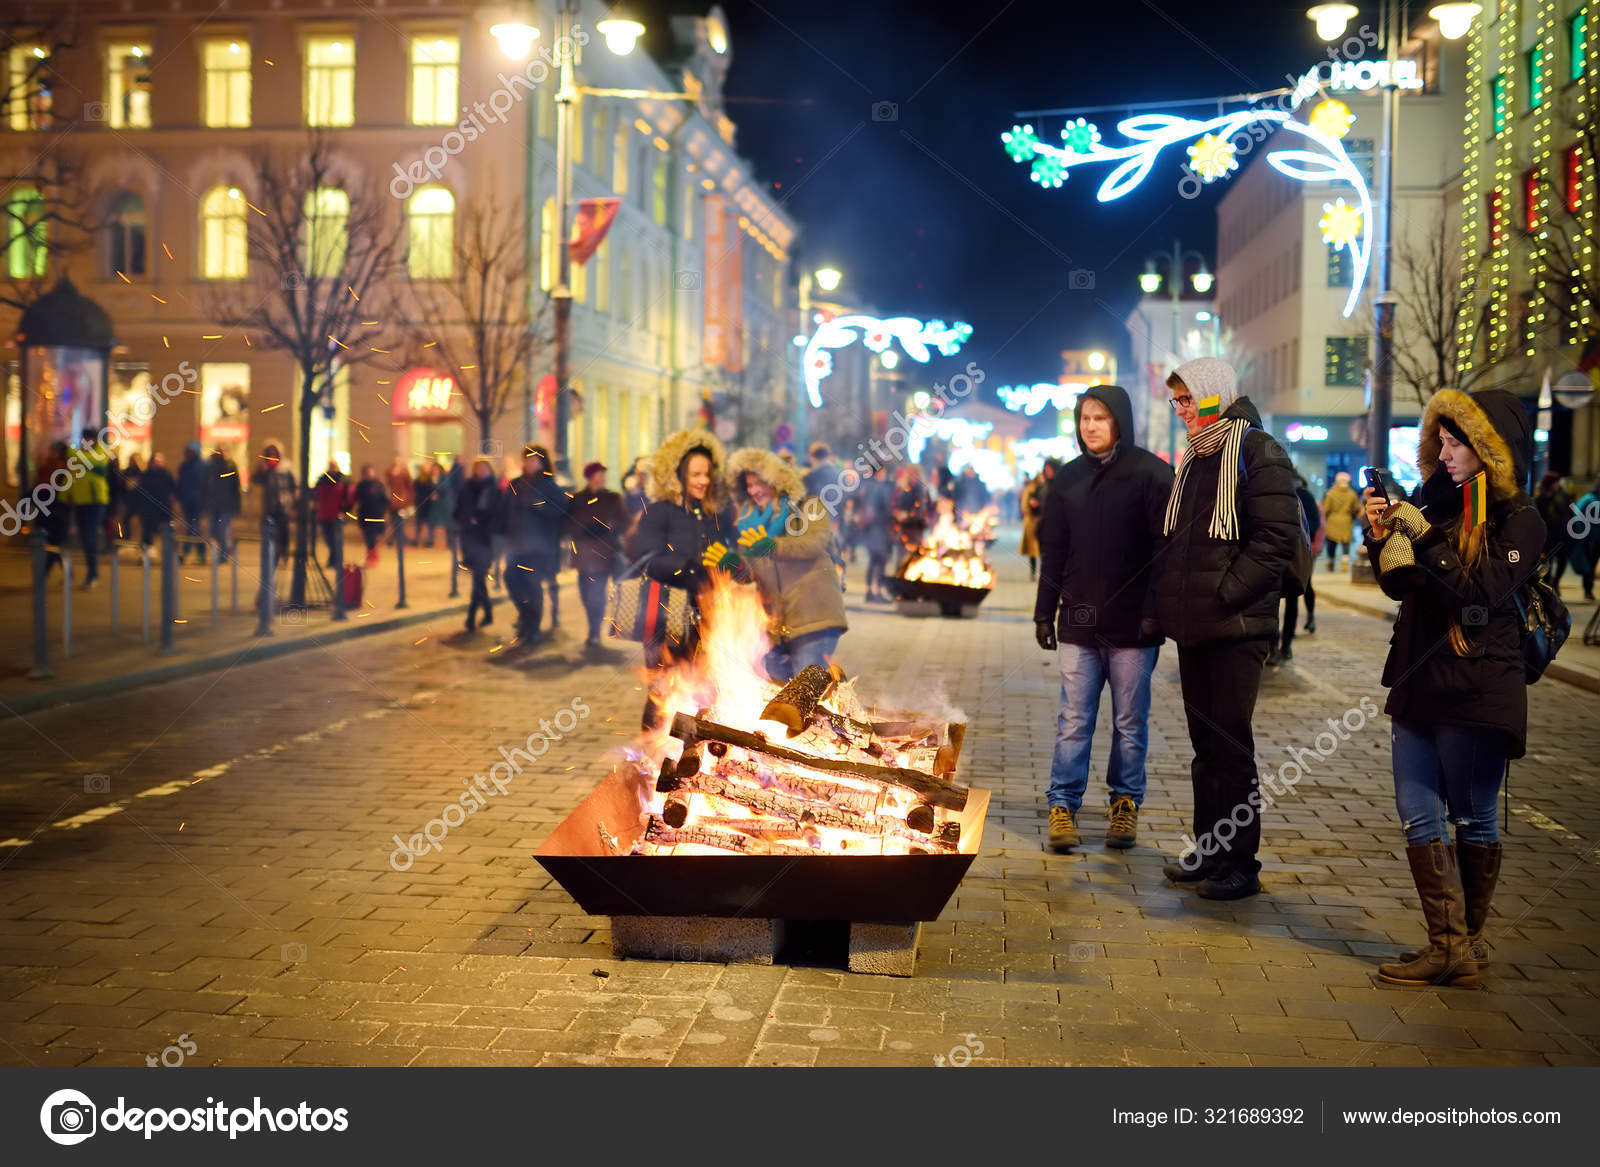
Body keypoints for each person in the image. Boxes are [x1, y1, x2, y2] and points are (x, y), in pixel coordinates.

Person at [1362, 388, 1542, 989]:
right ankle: (1451, 945)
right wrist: (1381, 536)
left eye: (1455, 439)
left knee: (1474, 816)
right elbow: (1401, 587)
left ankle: (1459, 946)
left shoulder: (1523, 520)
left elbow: (1480, 593)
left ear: (1490, 449)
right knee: (1418, 815)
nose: (1443, 451)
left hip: (1476, 686)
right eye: (1439, 439)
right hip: (1418, 678)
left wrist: (1428, 541)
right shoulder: (1433, 502)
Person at [1154, 357, 1300, 900]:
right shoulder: (1195, 458)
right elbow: (1179, 546)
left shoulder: (1258, 453)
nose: (1182, 411)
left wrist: (1225, 594)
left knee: (1231, 746)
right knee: (1205, 747)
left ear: (1215, 395)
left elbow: (1275, 539)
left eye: (1188, 400)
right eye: (1177, 402)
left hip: (1237, 628)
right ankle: (1209, 851)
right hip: (1197, 628)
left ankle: (1241, 864)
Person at [1034, 386, 1173, 854]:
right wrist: (1043, 612)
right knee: (1073, 719)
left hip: (1135, 626)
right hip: (1078, 621)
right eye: (1084, 417)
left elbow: (1164, 552)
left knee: (1130, 721)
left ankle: (1124, 805)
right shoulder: (1067, 479)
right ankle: (1062, 806)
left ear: (1120, 421)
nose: (1090, 426)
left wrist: (1156, 613)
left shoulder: (1153, 474)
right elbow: (1052, 550)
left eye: (1100, 417)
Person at [627, 429, 736, 730]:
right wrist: (690, 565)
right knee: (663, 687)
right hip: (665, 611)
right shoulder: (661, 512)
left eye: (707, 475)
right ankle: (651, 754)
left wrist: (730, 565)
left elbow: (720, 556)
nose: (703, 481)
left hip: (703, 614)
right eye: (696, 474)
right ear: (677, 474)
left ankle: (683, 754)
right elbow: (646, 559)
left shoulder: (711, 514)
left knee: (696, 687)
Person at [728, 447, 849, 682]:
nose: (754, 491)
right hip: (778, 626)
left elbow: (814, 542)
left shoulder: (807, 506)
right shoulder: (749, 522)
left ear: (776, 480)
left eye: (759, 483)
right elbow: (752, 572)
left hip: (814, 615)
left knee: (805, 690)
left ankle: (837, 714)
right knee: (779, 689)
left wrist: (775, 546)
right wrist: (736, 567)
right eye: (749, 485)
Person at [500, 444, 569, 643]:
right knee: (511, 580)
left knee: (532, 584)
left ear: (541, 462)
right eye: (526, 459)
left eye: (533, 460)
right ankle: (525, 616)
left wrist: (539, 508)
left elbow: (561, 512)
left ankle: (533, 627)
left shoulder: (549, 486)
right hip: (516, 545)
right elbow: (504, 510)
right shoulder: (516, 484)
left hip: (540, 547)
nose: (529, 463)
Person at [567, 461, 626, 646]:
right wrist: (581, 528)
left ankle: (594, 631)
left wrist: (610, 529)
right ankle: (593, 624)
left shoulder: (613, 498)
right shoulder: (577, 498)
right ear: (590, 477)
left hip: (603, 553)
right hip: (583, 553)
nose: (601, 478)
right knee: (585, 593)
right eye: (598, 475)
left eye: (603, 475)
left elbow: (625, 522)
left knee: (597, 594)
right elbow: (567, 522)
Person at [1270, 474, 1323, 665]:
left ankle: (1286, 645)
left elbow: (1314, 523)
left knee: (1292, 598)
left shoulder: (1302, 496)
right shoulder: (1271, 492)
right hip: (1275, 555)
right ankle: (1274, 647)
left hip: (1295, 555)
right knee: (1273, 603)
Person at [454, 457, 501, 633]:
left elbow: (497, 515)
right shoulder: (466, 488)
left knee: (478, 577)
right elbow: (457, 511)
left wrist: (481, 520)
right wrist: (465, 518)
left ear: (490, 470)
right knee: (478, 578)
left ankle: (471, 616)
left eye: (484, 468)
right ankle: (487, 611)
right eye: (478, 468)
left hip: (486, 540)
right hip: (469, 538)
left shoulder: (494, 490)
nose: (481, 471)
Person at [64, 428, 112, 587]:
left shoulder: (100, 453)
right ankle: (89, 573)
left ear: (95, 440)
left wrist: (70, 452)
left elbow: (90, 461)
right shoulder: (79, 456)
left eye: (88, 438)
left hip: (95, 502)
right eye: (84, 438)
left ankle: (93, 574)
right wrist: (62, 498)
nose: (86, 442)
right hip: (79, 502)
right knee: (85, 538)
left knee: (90, 537)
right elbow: (70, 477)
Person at [250, 444, 296, 566]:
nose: (272, 457)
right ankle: (274, 556)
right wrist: (261, 470)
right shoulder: (265, 469)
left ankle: (284, 554)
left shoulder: (285, 469)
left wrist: (292, 502)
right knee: (270, 533)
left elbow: (293, 486)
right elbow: (255, 480)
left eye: (274, 454)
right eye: (269, 455)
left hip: (283, 506)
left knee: (283, 532)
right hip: (269, 507)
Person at [856, 464, 896, 604]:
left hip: (869, 528)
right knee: (881, 559)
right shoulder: (880, 487)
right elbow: (886, 508)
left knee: (873, 560)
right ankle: (877, 591)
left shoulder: (866, 486)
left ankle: (869, 591)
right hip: (879, 527)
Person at [36, 441, 73, 578]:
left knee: (54, 544)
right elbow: (39, 487)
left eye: (55, 451)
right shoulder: (46, 467)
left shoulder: (66, 469)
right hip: (45, 511)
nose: (52, 454)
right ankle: (68, 572)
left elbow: (61, 491)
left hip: (58, 512)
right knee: (52, 544)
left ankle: (44, 573)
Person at [1534, 471, 1572, 593]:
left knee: (1563, 561)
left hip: (1561, 536)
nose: (1558, 485)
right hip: (1547, 538)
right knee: (1546, 563)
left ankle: (1555, 583)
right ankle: (1548, 585)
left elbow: (1569, 511)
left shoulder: (1562, 497)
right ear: (1550, 483)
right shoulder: (1540, 499)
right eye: (1555, 482)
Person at [1018, 462, 1054, 582]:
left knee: (1045, 550)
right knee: (1033, 550)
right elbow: (1025, 505)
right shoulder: (1032, 488)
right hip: (1032, 522)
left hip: (1045, 522)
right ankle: (1033, 572)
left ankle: (1045, 573)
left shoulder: (1050, 486)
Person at [890, 464, 931, 567]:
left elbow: (928, 508)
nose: (913, 476)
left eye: (916, 473)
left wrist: (920, 516)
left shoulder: (923, 490)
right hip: (903, 527)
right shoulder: (901, 488)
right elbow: (894, 505)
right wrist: (898, 514)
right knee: (901, 557)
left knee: (914, 557)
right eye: (911, 473)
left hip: (917, 528)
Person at [203, 450, 240, 564]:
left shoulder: (230, 466)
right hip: (214, 505)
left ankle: (224, 554)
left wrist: (237, 505)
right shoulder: (210, 467)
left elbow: (235, 488)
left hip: (226, 506)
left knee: (222, 530)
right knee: (213, 531)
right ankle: (226, 549)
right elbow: (205, 487)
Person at [1321, 471, 1362, 572]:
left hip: (1332, 521)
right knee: (1346, 544)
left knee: (1331, 544)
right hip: (1346, 521)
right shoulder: (1352, 494)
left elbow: (1325, 509)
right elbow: (1356, 508)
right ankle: (1345, 563)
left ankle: (1330, 563)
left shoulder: (1330, 493)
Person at [134, 451, 176, 548]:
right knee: (147, 531)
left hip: (163, 507)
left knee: (165, 531)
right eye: (156, 461)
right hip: (148, 508)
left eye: (160, 461)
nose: (158, 463)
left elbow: (172, 490)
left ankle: (166, 552)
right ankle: (146, 553)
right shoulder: (146, 475)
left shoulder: (166, 474)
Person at [313, 460, 351, 566]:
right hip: (324, 514)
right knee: (328, 538)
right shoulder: (322, 479)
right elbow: (316, 494)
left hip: (337, 515)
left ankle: (336, 560)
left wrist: (345, 510)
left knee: (337, 538)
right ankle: (335, 559)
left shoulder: (343, 480)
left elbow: (347, 497)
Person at [175, 443, 206, 563]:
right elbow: (180, 483)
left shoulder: (202, 466)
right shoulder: (184, 466)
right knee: (193, 527)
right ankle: (200, 553)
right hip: (187, 502)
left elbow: (205, 485)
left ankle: (186, 551)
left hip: (198, 502)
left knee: (194, 526)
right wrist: (178, 497)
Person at [1571, 474, 1600, 601]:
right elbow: (1579, 519)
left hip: (1594, 538)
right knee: (1589, 565)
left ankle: (1588, 589)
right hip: (1591, 539)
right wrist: (1583, 537)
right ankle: (1588, 590)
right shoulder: (1589, 500)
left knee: (1591, 564)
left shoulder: (1588, 499)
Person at [354, 464, 389, 567]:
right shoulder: (361, 486)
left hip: (377, 514)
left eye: (371, 472)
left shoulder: (378, 485)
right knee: (368, 537)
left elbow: (384, 499)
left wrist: (384, 512)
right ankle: (371, 557)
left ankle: (373, 557)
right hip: (365, 514)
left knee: (373, 537)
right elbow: (358, 499)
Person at [385, 455, 413, 546]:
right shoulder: (390, 471)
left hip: (402, 499)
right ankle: (395, 538)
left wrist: (408, 500)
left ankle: (400, 538)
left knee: (400, 520)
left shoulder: (404, 472)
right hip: (393, 499)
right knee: (393, 519)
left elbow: (409, 486)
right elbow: (388, 484)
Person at [413, 461, 438, 548]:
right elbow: (415, 491)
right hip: (421, 504)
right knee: (419, 523)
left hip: (429, 505)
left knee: (430, 524)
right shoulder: (418, 480)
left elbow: (433, 491)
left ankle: (430, 541)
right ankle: (417, 540)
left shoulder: (430, 479)